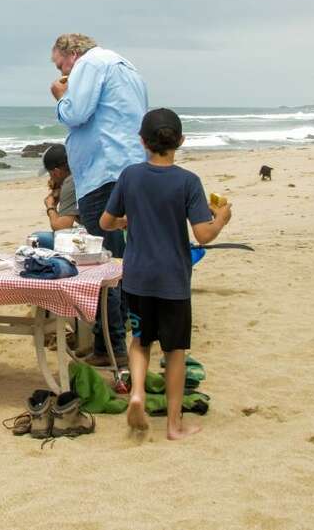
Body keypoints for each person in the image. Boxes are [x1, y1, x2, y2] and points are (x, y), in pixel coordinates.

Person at [100, 108, 232, 440]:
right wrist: (222, 219)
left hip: (137, 277)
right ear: (181, 141)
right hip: (173, 280)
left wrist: (123, 221)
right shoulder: (188, 181)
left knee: (140, 341)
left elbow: (105, 222)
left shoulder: (130, 176)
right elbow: (203, 234)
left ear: (142, 141)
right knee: (175, 351)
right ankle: (174, 425)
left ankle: (137, 394)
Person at [50, 32, 148, 366]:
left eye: (61, 65)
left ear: (73, 54)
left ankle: (111, 347)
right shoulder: (126, 66)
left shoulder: (90, 63)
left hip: (103, 172)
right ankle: (120, 342)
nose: (62, 72)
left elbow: (76, 113)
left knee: (101, 261)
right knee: (122, 260)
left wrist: (61, 96)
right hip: (130, 165)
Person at [27, 143, 80, 249]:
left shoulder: (70, 183)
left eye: (50, 174)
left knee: (37, 238)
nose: (50, 178)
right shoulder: (80, 173)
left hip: (98, 239)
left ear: (57, 172)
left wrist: (50, 207)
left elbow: (62, 228)